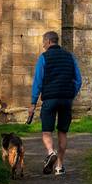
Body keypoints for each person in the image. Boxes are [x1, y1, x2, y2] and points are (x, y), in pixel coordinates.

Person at [31, 30, 82, 175]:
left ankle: (50, 152)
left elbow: (38, 82)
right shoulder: (70, 57)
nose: (43, 45)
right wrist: (71, 94)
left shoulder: (44, 58)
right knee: (62, 132)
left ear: (48, 42)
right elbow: (78, 80)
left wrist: (33, 103)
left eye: (43, 42)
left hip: (50, 99)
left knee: (47, 131)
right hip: (66, 99)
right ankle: (59, 167)